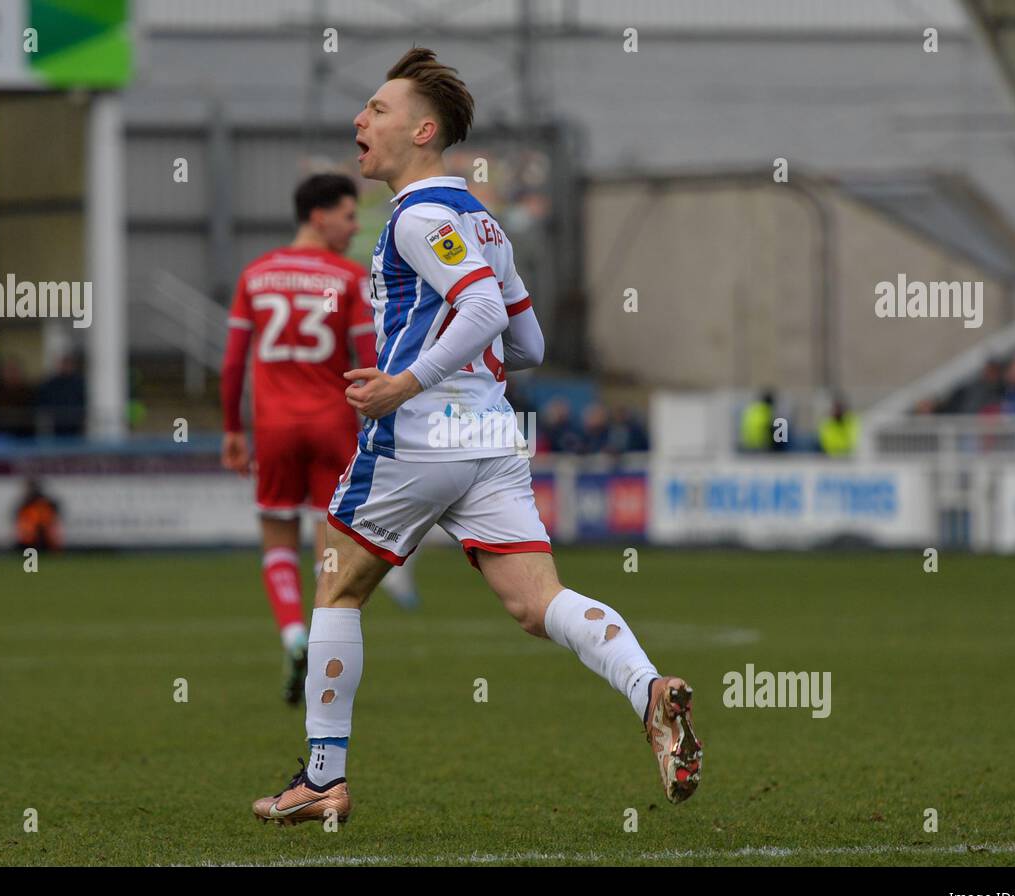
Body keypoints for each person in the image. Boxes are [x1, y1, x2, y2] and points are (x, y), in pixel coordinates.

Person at [252, 48, 702, 827]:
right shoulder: (483, 223)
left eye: (378, 110)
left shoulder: (420, 217)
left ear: (424, 131)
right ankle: (648, 689)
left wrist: (405, 383)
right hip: (491, 436)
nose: (360, 121)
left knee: (337, 583)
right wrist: (460, 370)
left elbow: (486, 316)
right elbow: (524, 343)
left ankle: (323, 779)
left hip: (419, 435)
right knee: (537, 603)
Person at [220, 173, 420, 709]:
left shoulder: (257, 274)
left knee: (275, 534)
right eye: (348, 216)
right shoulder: (350, 279)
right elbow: (366, 362)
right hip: (333, 425)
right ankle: (322, 644)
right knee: (329, 543)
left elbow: (234, 360)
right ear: (317, 216)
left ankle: (292, 636)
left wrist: (233, 430)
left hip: (276, 428)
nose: (355, 227)